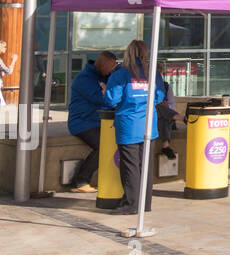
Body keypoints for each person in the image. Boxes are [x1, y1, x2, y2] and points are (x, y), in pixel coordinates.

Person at [103, 40, 167, 215]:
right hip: (149, 125)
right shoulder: (153, 74)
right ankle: (145, 203)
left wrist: (105, 92)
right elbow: (160, 95)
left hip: (128, 126)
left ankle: (131, 204)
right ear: (145, 54)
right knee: (145, 166)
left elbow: (111, 99)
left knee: (130, 167)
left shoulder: (121, 74)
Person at [67, 51, 117, 192]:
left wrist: (108, 93)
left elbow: (111, 98)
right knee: (103, 147)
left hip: (97, 122)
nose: (112, 70)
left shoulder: (104, 77)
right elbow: (102, 100)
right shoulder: (84, 79)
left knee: (114, 143)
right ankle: (80, 181)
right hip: (82, 122)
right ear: (102, 65)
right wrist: (108, 94)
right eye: (111, 67)